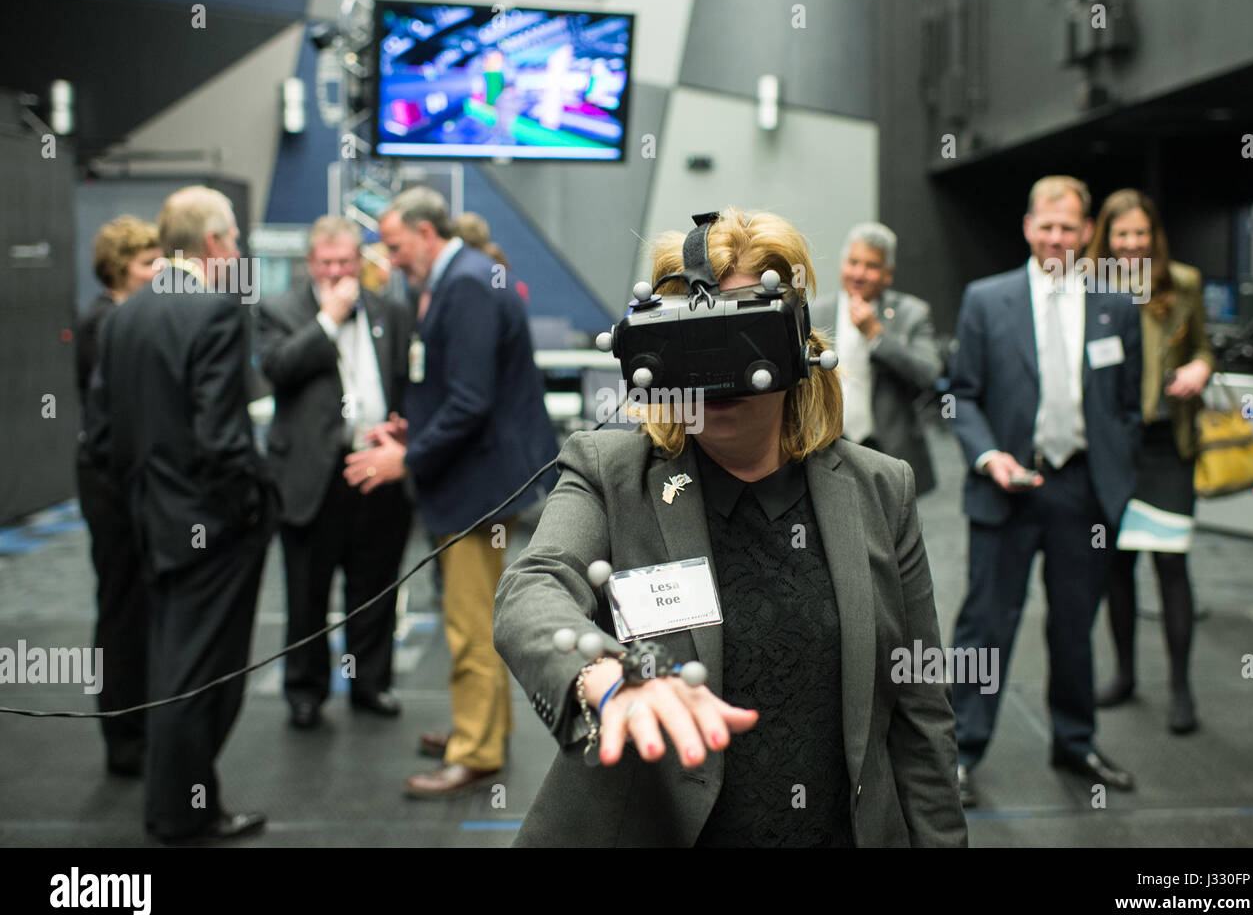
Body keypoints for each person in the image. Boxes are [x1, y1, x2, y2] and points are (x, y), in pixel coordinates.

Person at [493, 207, 968, 846]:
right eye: (692, 333)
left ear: (799, 344)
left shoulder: (880, 490)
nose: (718, 366)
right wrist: (601, 678)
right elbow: (533, 589)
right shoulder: (612, 474)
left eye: (744, 328)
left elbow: (920, 713)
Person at [345, 186, 558, 796]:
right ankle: (482, 726)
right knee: (475, 615)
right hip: (478, 473)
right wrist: (414, 427)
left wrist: (405, 458)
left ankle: (478, 750)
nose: (389, 260)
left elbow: (471, 400)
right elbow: (458, 388)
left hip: (477, 484)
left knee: (470, 624)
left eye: (395, 246)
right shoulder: (465, 274)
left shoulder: (463, 282)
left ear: (425, 233)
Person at [85, 186, 276, 842]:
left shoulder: (122, 315)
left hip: (152, 522)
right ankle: (182, 815)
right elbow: (222, 438)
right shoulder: (216, 309)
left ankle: (182, 807)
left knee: (173, 669)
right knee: (200, 680)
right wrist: (249, 507)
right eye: (236, 243)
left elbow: (103, 439)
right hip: (211, 528)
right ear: (216, 244)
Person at [946, 175, 1142, 808]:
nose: (1057, 238)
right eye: (1046, 226)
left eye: (1069, 228)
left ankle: (1075, 741)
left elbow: (1127, 404)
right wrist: (988, 456)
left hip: (1083, 491)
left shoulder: (1116, 305)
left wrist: (1118, 470)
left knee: (1074, 625)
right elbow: (961, 395)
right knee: (985, 626)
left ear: (1085, 233)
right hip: (1008, 487)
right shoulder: (986, 299)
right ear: (1029, 228)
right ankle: (960, 752)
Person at [256, 216, 413, 730]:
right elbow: (277, 369)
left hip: (375, 469)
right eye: (325, 263)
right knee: (307, 593)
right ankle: (305, 691)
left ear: (358, 261)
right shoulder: (280, 310)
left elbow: (400, 381)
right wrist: (327, 320)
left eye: (344, 261)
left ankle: (371, 683)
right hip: (310, 477)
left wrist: (399, 427)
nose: (336, 271)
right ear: (310, 265)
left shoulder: (389, 310)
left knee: (375, 588)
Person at [1086, 189, 1213, 734]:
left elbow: (1205, 347)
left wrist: (1202, 369)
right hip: (1114, 446)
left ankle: (1181, 689)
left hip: (1166, 445)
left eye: (1141, 233)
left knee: (1171, 565)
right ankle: (1124, 675)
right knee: (1117, 567)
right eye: (1122, 235)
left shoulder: (1182, 284)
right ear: (1107, 239)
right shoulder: (1088, 288)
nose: (1132, 243)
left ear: (1153, 236)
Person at [75, 215, 161, 777]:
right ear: (118, 268)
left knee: (142, 611)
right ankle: (122, 736)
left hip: (132, 485)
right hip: (110, 489)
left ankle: (140, 725)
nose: (158, 272)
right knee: (121, 612)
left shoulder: (130, 319)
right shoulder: (104, 324)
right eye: (146, 263)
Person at [812, 222, 943, 494]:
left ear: (888, 274)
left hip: (888, 447)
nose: (859, 273)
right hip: (828, 445)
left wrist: (876, 335)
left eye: (871, 266)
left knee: (890, 532)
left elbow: (929, 374)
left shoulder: (912, 313)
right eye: (853, 262)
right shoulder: (816, 312)